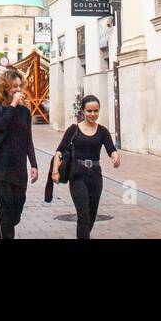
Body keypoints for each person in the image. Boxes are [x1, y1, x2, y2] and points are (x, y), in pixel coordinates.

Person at [51, 94, 119, 239]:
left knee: (92, 215)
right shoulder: (73, 130)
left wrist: (115, 156)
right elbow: (60, 150)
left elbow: (110, 148)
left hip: (95, 177)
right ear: (83, 111)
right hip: (77, 176)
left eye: (96, 111)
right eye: (89, 111)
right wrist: (55, 171)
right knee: (83, 215)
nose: (93, 114)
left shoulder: (102, 131)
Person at [0, 69, 39, 239]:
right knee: (5, 218)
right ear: (4, 88)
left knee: (16, 210)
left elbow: (27, 138)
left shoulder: (25, 111)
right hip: (0, 170)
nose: (17, 90)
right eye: (13, 87)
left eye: (19, 86)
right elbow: (0, 125)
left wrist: (34, 164)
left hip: (18, 169)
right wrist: (13, 105)